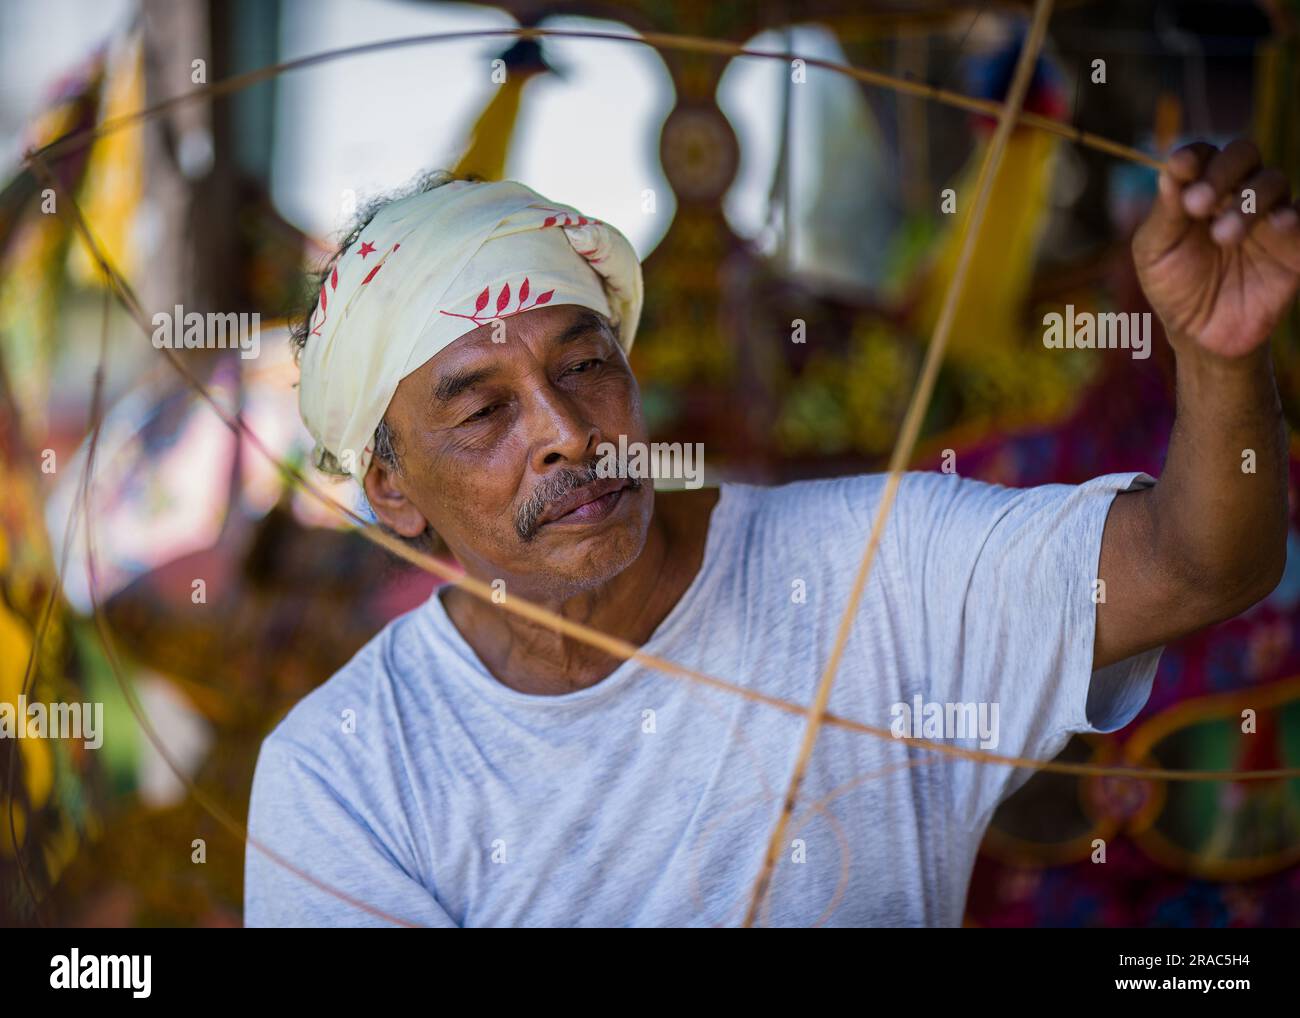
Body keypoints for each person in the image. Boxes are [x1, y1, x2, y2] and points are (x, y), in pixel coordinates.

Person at [244, 140, 1297, 927]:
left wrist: (1218, 358)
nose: (568, 433)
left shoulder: (880, 570)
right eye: (482, 412)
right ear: (391, 487)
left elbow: (1200, 565)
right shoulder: (344, 775)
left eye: (585, 364)